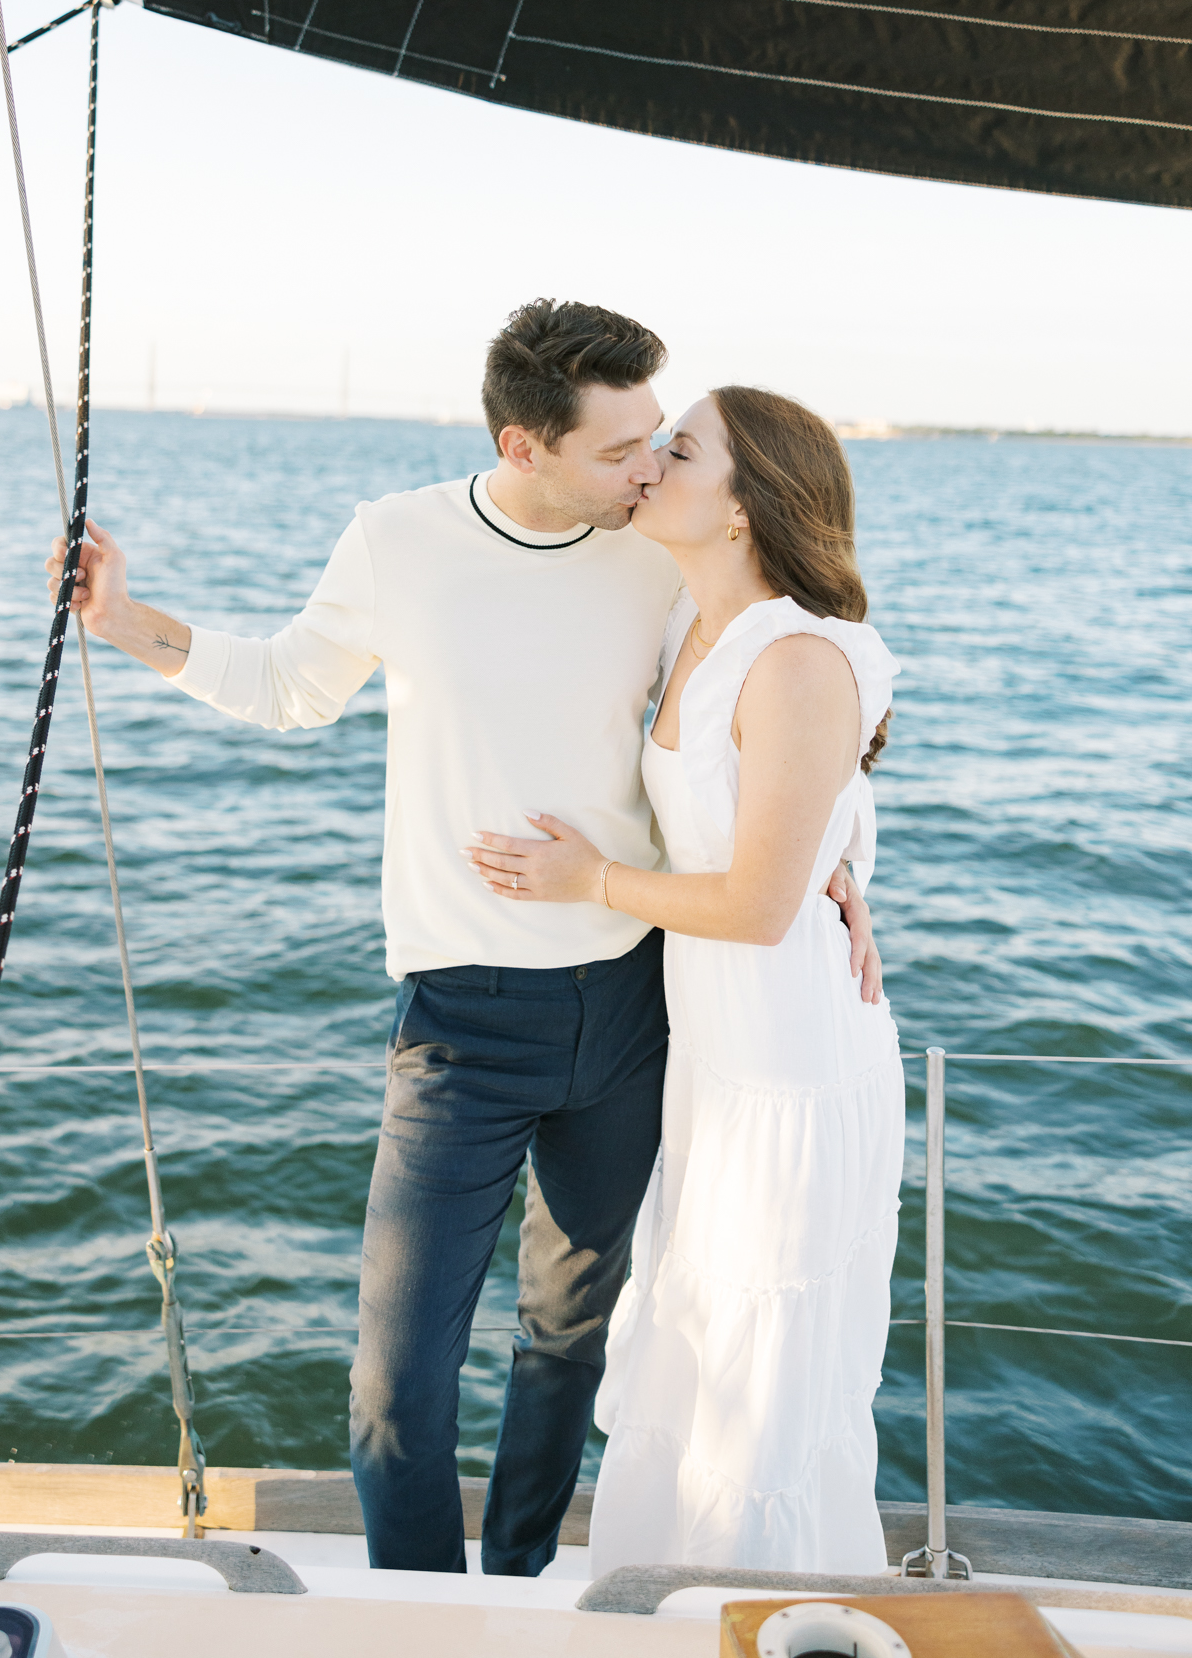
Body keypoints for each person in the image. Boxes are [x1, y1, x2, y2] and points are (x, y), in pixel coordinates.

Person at [45, 306, 882, 1578]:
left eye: (661, 445)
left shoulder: (660, 551)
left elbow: (769, 708)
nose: (648, 469)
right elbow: (287, 684)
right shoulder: (401, 538)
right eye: (621, 450)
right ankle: (422, 1607)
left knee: (567, 1338)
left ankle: (523, 1577)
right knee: (394, 1381)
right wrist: (122, 620)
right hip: (463, 1019)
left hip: (639, 1004)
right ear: (524, 443)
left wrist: (837, 863)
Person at [467, 385, 906, 1576]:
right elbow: (796, 813)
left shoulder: (794, 656)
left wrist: (592, 879)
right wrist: (849, 861)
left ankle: (755, 1610)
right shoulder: (687, 624)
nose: (651, 461)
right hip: (712, 1062)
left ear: (746, 506)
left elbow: (762, 905)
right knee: (699, 1363)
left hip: (791, 1067)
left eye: (681, 447)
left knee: (756, 1399)